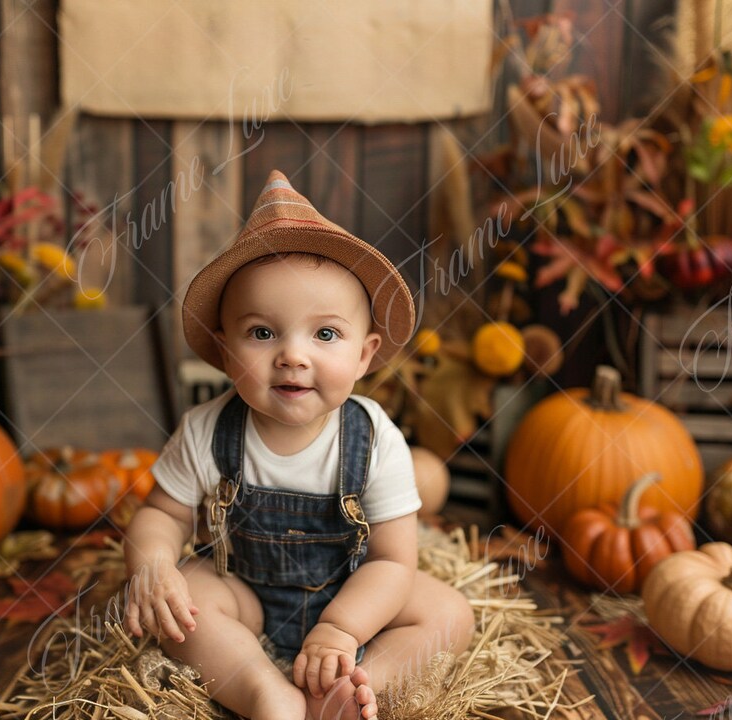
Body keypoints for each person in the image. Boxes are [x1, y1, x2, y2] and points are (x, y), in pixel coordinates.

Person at [122, 170, 475, 720]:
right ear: (224, 350)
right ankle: (264, 690)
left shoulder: (375, 439)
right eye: (262, 333)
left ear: (364, 355)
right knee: (186, 605)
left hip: (353, 595)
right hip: (245, 598)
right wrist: (154, 564)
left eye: (325, 334)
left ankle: (358, 685)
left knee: (450, 614)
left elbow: (392, 560)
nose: (292, 356)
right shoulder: (205, 430)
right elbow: (162, 514)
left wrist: (342, 628)